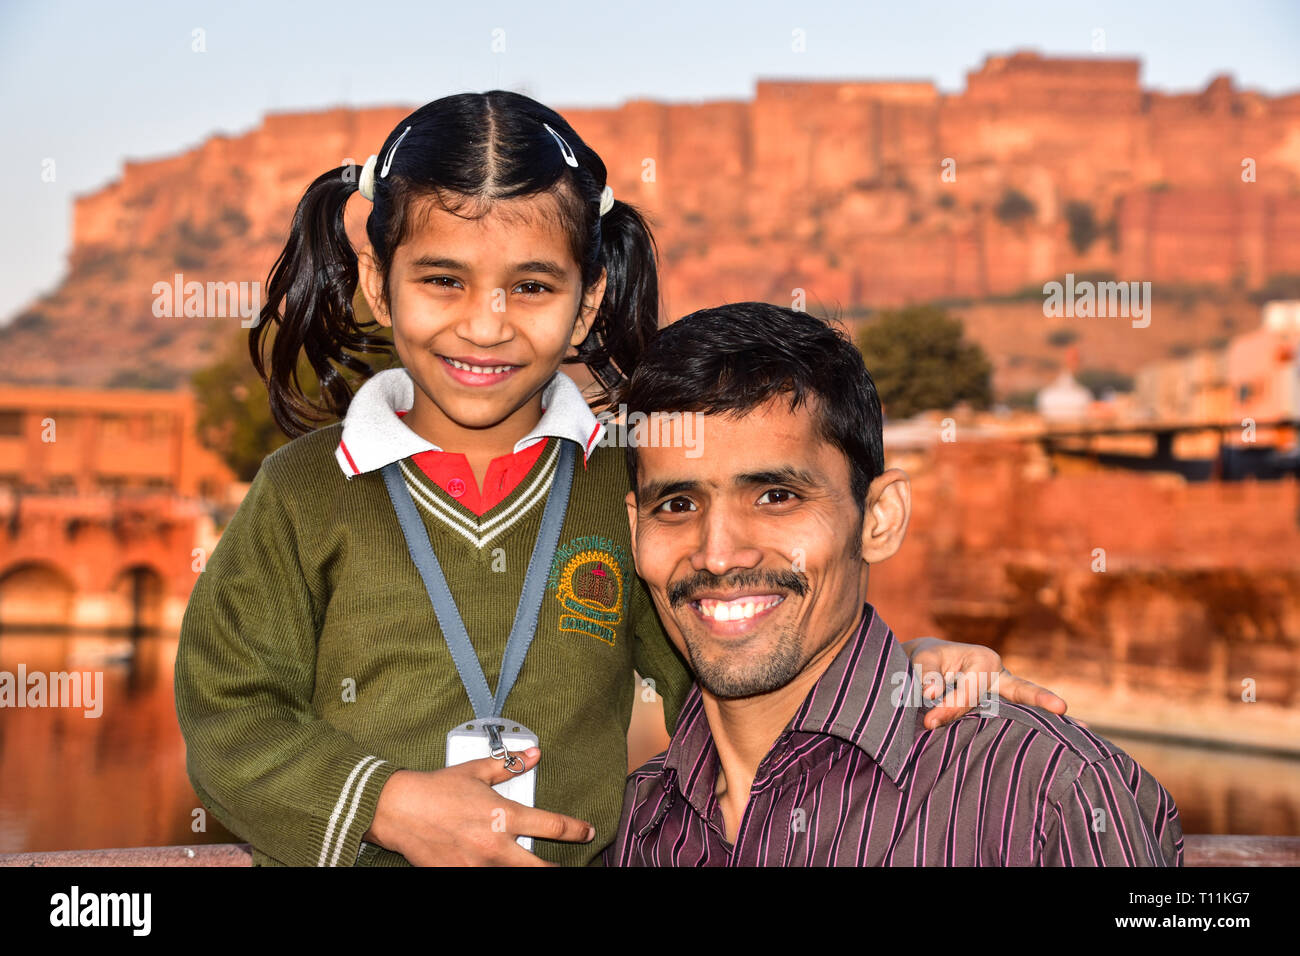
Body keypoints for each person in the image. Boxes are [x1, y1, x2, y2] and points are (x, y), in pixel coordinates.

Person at [174, 91, 1068, 867]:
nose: (485, 327)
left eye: (530, 287)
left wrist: (892, 670)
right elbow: (229, 716)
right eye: (443, 280)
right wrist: (388, 806)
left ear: (588, 299)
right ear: (378, 281)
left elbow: (730, 666)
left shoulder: (626, 489)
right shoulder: (302, 491)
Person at [605, 302, 1185, 866]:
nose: (719, 554)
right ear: (636, 533)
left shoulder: (1040, 795)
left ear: (879, 518)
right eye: (678, 504)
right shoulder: (638, 822)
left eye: (777, 497)